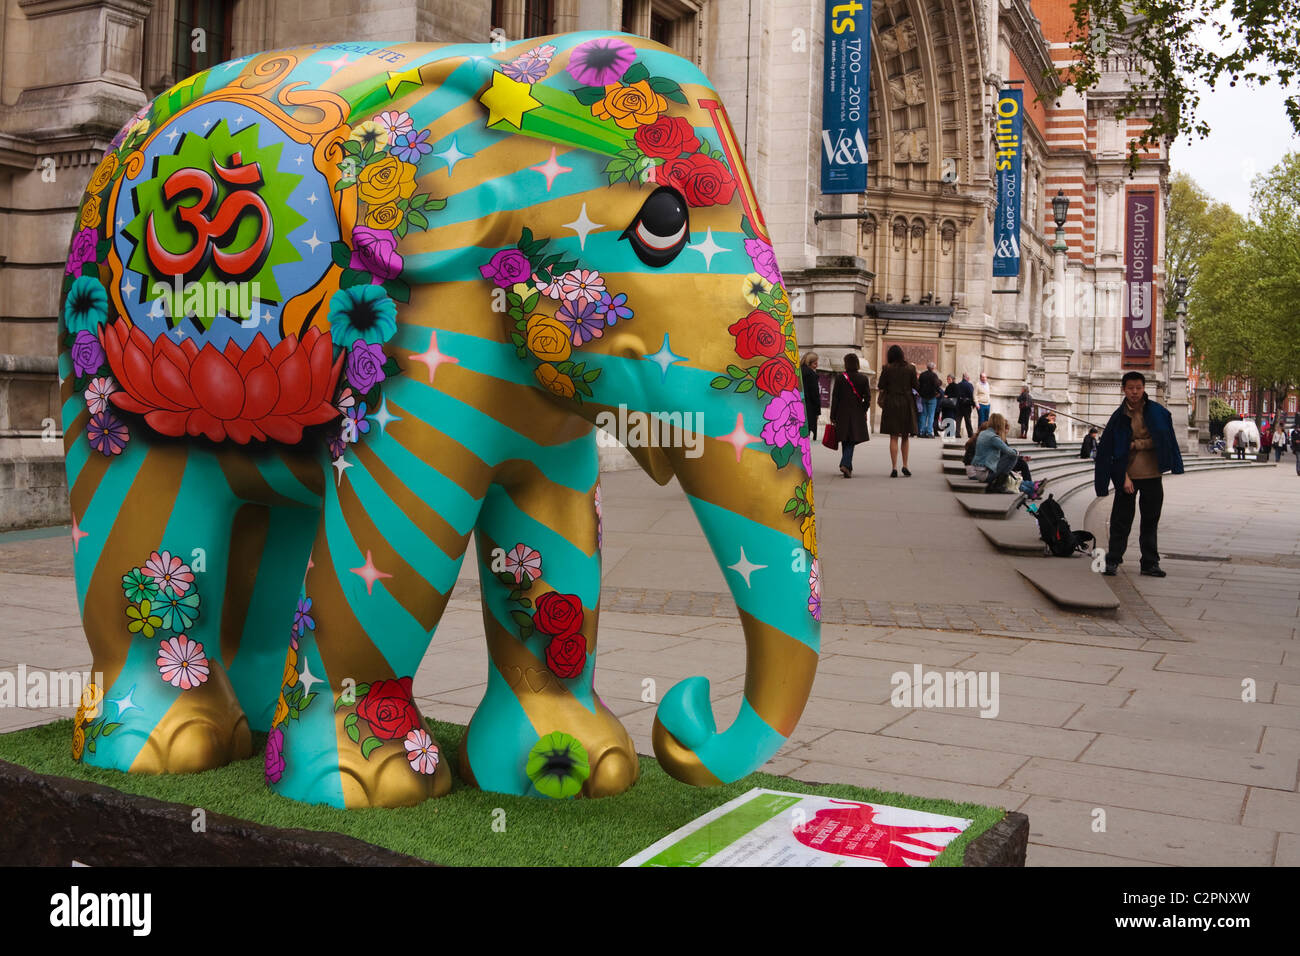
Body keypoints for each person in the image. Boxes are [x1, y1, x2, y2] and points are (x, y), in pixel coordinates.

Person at [1094, 370, 1184, 577]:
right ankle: (1113, 559)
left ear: (1144, 389)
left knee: (1150, 520)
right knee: (1120, 520)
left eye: (1138, 388)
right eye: (1130, 388)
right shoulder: (1118, 417)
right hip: (1129, 475)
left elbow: (1164, 440)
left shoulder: (1158, 413)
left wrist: (1138, 443)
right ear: (1123, 389)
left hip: (1152, 474)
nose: (1134, 392)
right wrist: (1122, 477)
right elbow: (1111, 450)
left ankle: (1150, 562)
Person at [974, 413, 1042, 497]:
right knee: (1013, 456)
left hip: (979, 471)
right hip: (985, 474)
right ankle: (999, 485)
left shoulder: (983, 433)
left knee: (1015, 463)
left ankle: (1032, 486)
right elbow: (1009, 452)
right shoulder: (993, 438)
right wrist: (1017, 453)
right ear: (1000, 424)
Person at [876, 344, 919, 477]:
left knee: (893, 436)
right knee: (905, 436)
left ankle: (894, 467)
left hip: (891, 404)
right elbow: (916, 386)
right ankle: (905, 465)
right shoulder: (911, 368)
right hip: (906, 403)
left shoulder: (887, 368)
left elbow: (881, 385)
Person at [829, 352, 871, 477]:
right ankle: (846, 464)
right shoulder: (863, 379)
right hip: (857, 413)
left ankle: (847, 465)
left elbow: (835, 397)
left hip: (842, 413)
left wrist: (833, 415)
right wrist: (863, 409)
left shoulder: (840, 378)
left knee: (846, 439)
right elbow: (868, 398)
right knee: (851, 439)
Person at [800, 352, 822, 447]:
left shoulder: (798, 372)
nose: (817, 365)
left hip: (797, 406)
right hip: (808, 408)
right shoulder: (811, 375)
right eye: (815, 363)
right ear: (809, 363)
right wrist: (817, 412)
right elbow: (815, 395)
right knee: (806, 435)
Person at [917, 361, 942, 438]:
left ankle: (921, 431)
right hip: (932, 397)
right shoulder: (934, 375)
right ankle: (929, 432)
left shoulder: (922, 375)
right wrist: (938, 392)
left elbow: (919, 384)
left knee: (923, 414)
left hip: (923, 396)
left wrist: (920, 393)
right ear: (933, 368)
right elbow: (937, 385)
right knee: (931, 415)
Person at [956, 373, 976, 438]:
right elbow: (972, 395)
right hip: (967, 405)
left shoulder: (958, 385)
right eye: (968, 377)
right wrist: (973, 404)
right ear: (966, 378)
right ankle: (970, 434)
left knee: (958, 420)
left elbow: (956, 395)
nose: (969, 378)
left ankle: (957, 433)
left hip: (959, 404)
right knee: (967, 420)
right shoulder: (969, 385)